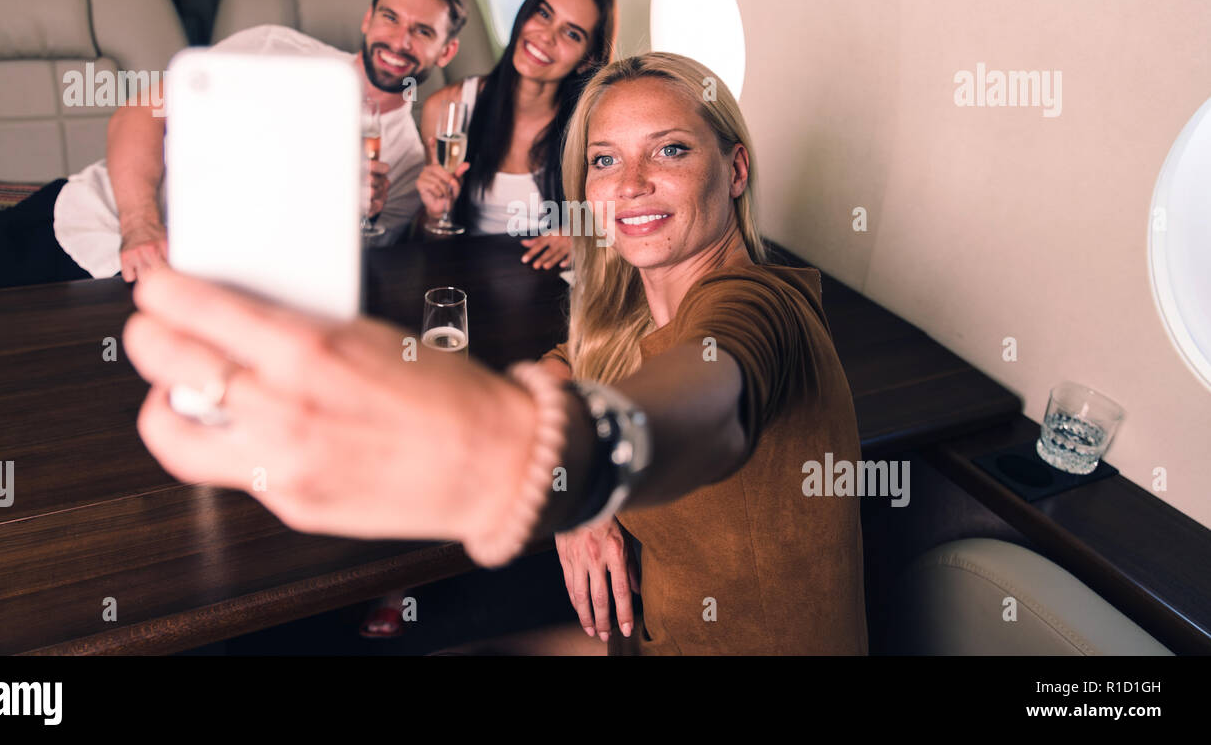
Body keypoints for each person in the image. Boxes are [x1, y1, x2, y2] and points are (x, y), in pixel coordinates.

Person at [122, 52, 870, 655]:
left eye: (669, 150)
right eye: (605, 161)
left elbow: (710, 401)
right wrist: (584, 502)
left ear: (734, 170)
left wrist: (525, 455)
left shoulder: (760, 305)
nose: (633, 182)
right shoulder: (640, 311)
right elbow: (575, 358)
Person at [0, 0, 469, 297]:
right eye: (391, 18)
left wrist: (357, 211)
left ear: (447, 49)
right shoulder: (274, 47)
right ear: (367, 19)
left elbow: (338, 268)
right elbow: (139, 115)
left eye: (423, 32)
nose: (399, 41)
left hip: (198, 291)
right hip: (89, 228)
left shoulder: (410, 159)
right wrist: (140, 225)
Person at [415, 0, 617, 271]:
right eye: (543, 14)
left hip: (554, 288)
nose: (546, 36)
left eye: (571, 33)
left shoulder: (594, 126)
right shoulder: (446, 108)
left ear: (587, 59)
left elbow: (624, 223)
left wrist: (585, 236)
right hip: (467, 278)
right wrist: (434, 215)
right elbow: (427, 248)